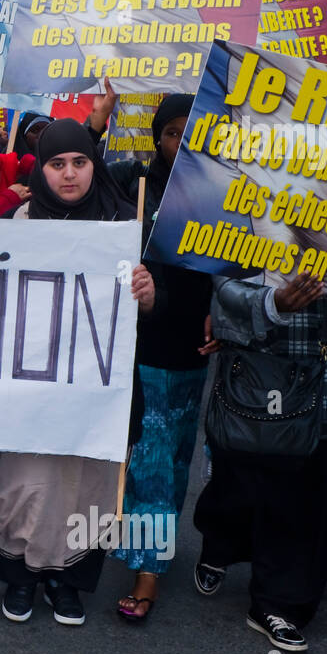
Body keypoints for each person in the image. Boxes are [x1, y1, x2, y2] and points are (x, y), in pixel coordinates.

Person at [0, 118, 154, 629]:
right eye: (56, 164)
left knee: (84, 484)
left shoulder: (124, 222)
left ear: (95, 164)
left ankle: (65, 580)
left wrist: (148, 293)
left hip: (96, 389)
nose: (69, 174)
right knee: (29, 480)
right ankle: (21, 575)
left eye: (80, 162)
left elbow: (147, 312)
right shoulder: (20, 222)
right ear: (41, 168)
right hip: (33, 385)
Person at [192, 270, 327, 653]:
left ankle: (276, 605)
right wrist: (273, 303)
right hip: (255, 368)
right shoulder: (247, 211)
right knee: (239, 484)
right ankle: (221, 544)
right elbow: (224, 280)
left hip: (315, 374)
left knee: (304, 494)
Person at [108, 94, 215, 622]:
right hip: (145, 341)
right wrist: (99, 115)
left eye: (192, 131)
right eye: (173, 132)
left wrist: (226, 311)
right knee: (149, 453)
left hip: (198, 344)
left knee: (177, 457)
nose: (182, 141)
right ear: (157, 137)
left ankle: (159, 539)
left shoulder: (221, 188)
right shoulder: (135, 184)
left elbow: (240, 263)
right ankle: (146, 568)